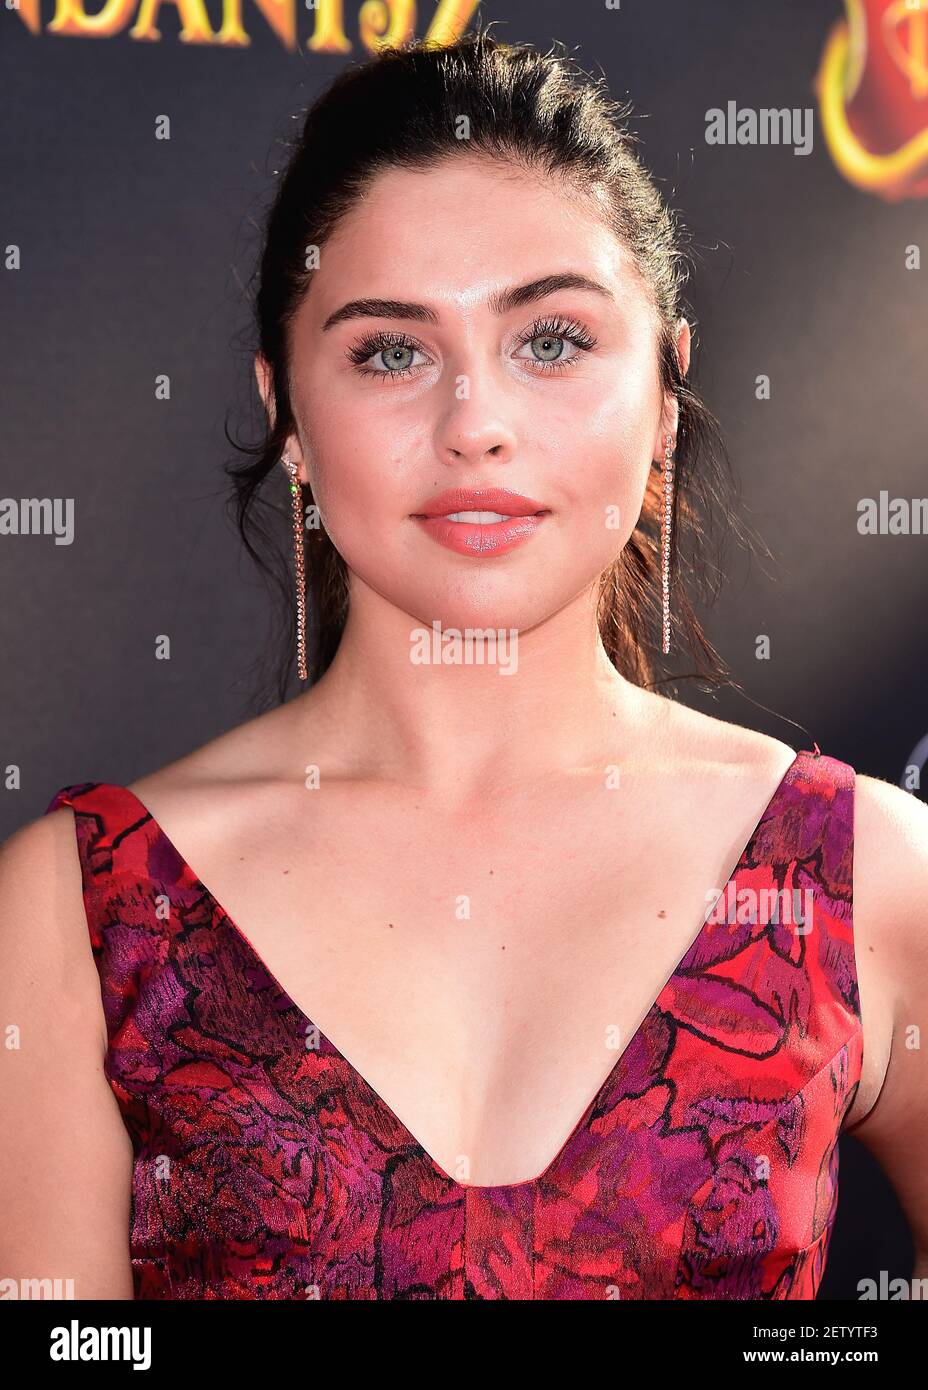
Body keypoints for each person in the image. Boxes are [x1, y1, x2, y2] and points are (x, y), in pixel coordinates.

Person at [1, 31, 925, 1301]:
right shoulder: (81, 912)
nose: (474, 423)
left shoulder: (866, 874)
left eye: (550, 340)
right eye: (390, 351)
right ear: (291, 419)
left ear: (665, 395)